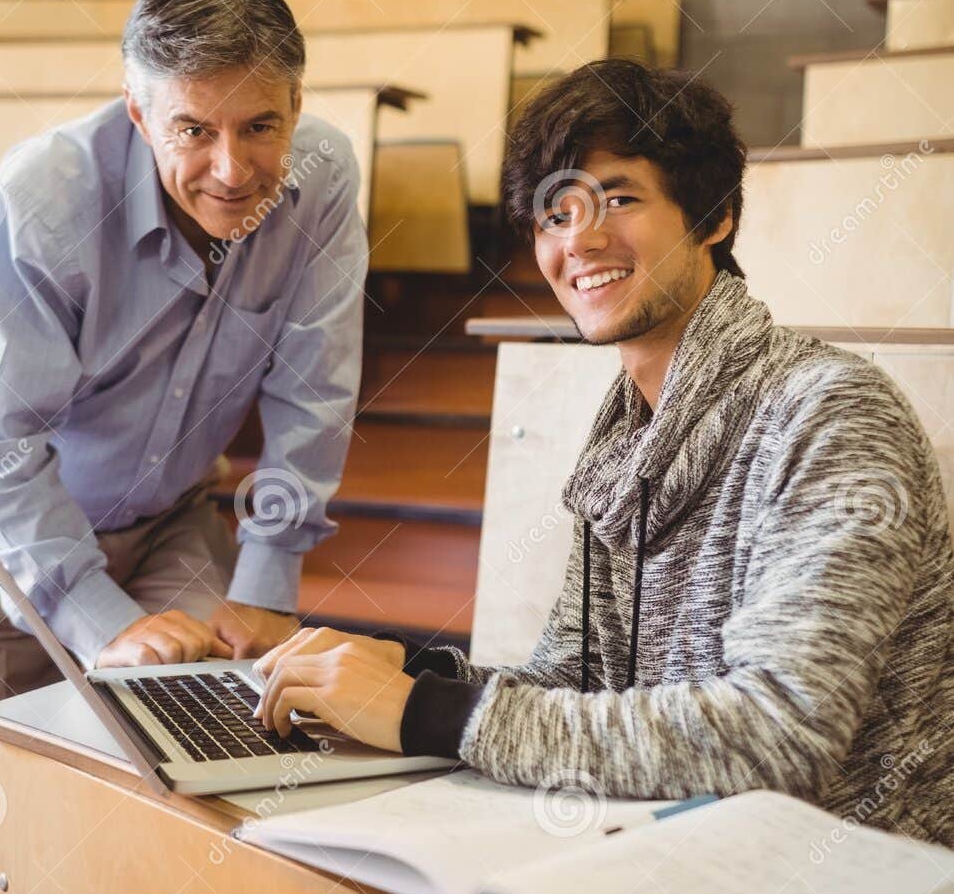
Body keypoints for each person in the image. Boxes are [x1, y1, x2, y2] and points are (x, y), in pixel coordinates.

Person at [255, 59, 953, 846]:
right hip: (679, 852)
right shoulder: (625, 436)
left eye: (618, 198)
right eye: (554, 214)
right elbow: (570, 683)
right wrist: (404, 673)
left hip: (857, 885)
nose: (579, 238)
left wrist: (422, 713)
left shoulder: (827, 413)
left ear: (713, 218)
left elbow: (778, 733)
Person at [0, 0, 366, 894]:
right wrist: (100, 621)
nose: (231, 167)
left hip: (164, 510)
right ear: (135, 109)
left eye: (262, 124)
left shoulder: (322, 180)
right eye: (193, 130)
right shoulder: (49, 191)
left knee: (215, 751)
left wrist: (266, 581)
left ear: (296, 107)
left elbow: (314, 396)